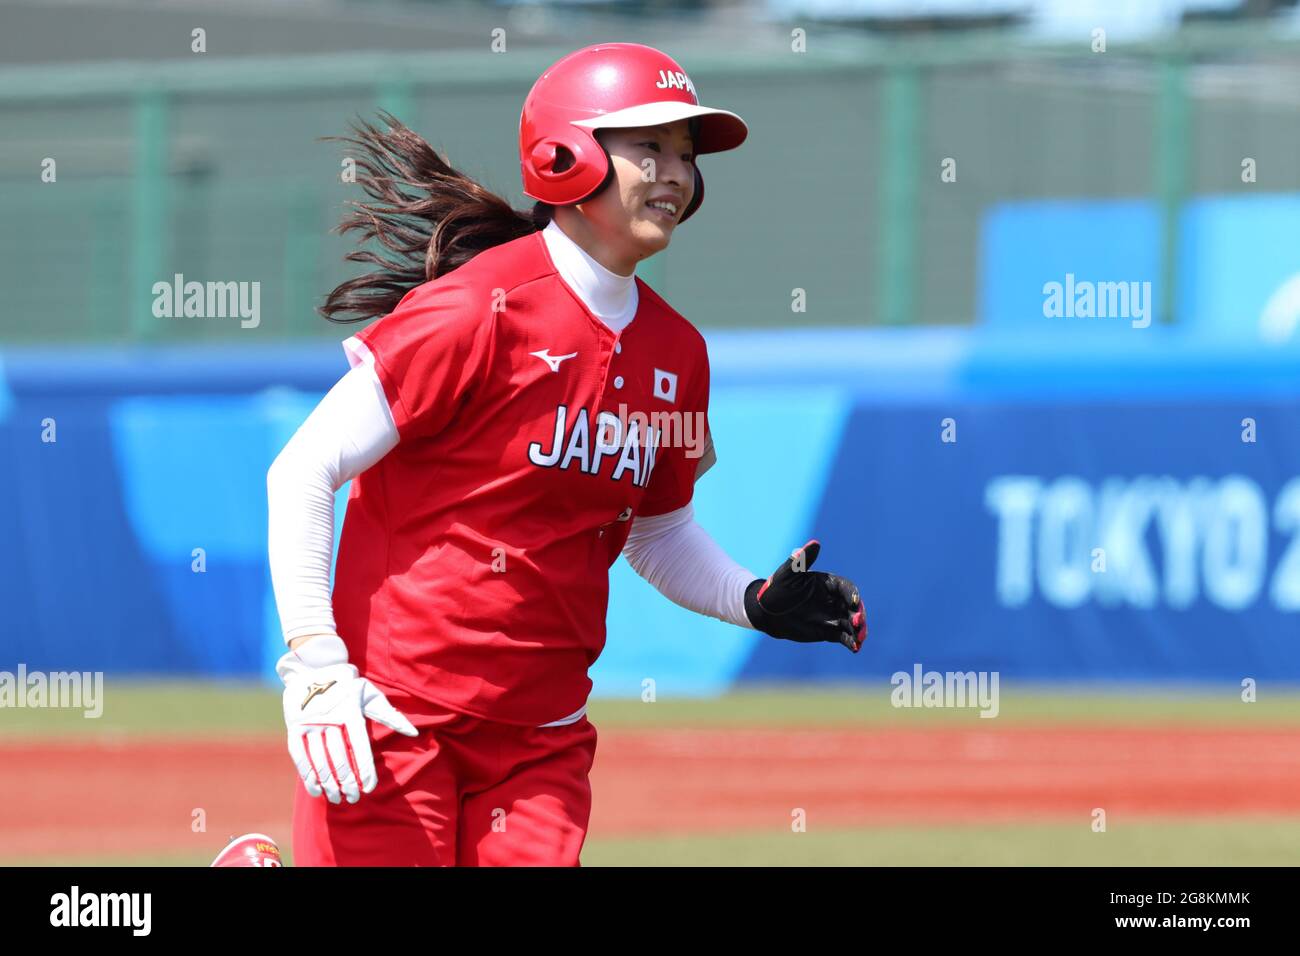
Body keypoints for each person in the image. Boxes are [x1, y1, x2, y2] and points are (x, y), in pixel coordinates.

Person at [267, 42, 867, 867]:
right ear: (564, 156)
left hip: (541, 743)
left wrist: (753, 599)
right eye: (648, 147)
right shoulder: (476, 308)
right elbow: (302, 470)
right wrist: (318, 665)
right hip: (393, 713)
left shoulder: (679, 352)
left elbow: (658, 531)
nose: (675, 174)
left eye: (686, 155)